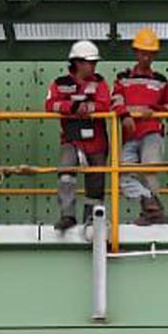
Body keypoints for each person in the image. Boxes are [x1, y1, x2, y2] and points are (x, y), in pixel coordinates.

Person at [45, 40, 111, 232]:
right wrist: (72, 108)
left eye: (94, 62)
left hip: (96, 141)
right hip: (71, 139)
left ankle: (92, 219)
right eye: (90, 62)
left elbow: (104, 104)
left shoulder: (99, 82)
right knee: (65, 173)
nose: (93, 66)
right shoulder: (60, 83)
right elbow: (50, 105)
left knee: (96, 182)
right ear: (77, 62)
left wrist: (87, 108)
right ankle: (67, 216)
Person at [113, 28, 168, 225]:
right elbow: (115, 101)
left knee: (150, 172)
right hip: (130, 136)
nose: (146, 56)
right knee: (123, 177)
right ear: (136, 52)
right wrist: (125, 115)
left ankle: (151, 213)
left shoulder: (160, 80)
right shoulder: (122, 77)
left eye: (149, 53)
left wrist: (152, 110)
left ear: (154, 55)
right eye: (142, 52)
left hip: (152, 133)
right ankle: (153, 207)